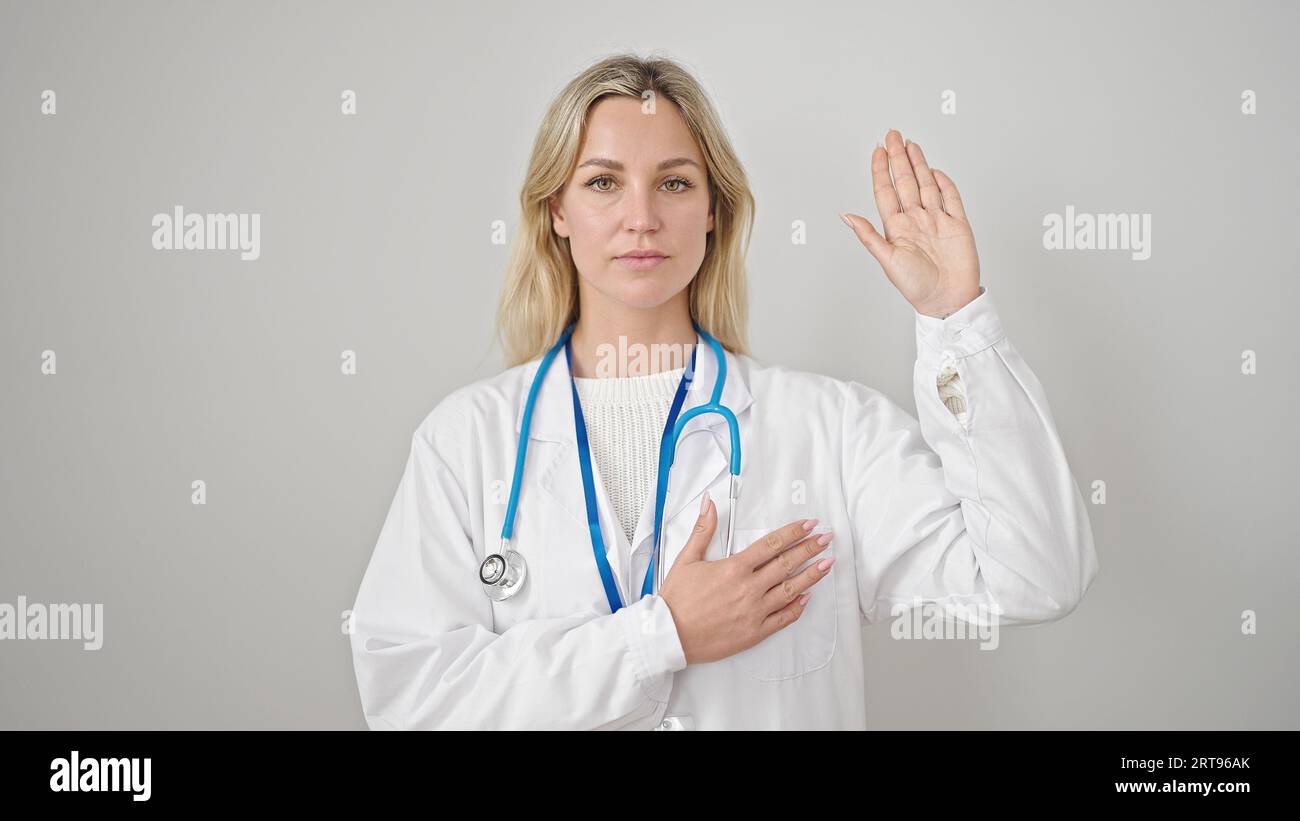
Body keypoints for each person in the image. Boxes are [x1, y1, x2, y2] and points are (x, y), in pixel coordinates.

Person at [348, 53, 1099, 730]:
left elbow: (1033, 577)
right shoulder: (465, 440)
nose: (641, 217)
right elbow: (412, 702)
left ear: (712, 211)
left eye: (674, 182)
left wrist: (954, 319)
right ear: (556, 211)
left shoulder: (828, 429)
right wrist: (660, 634)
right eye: (603, 182)